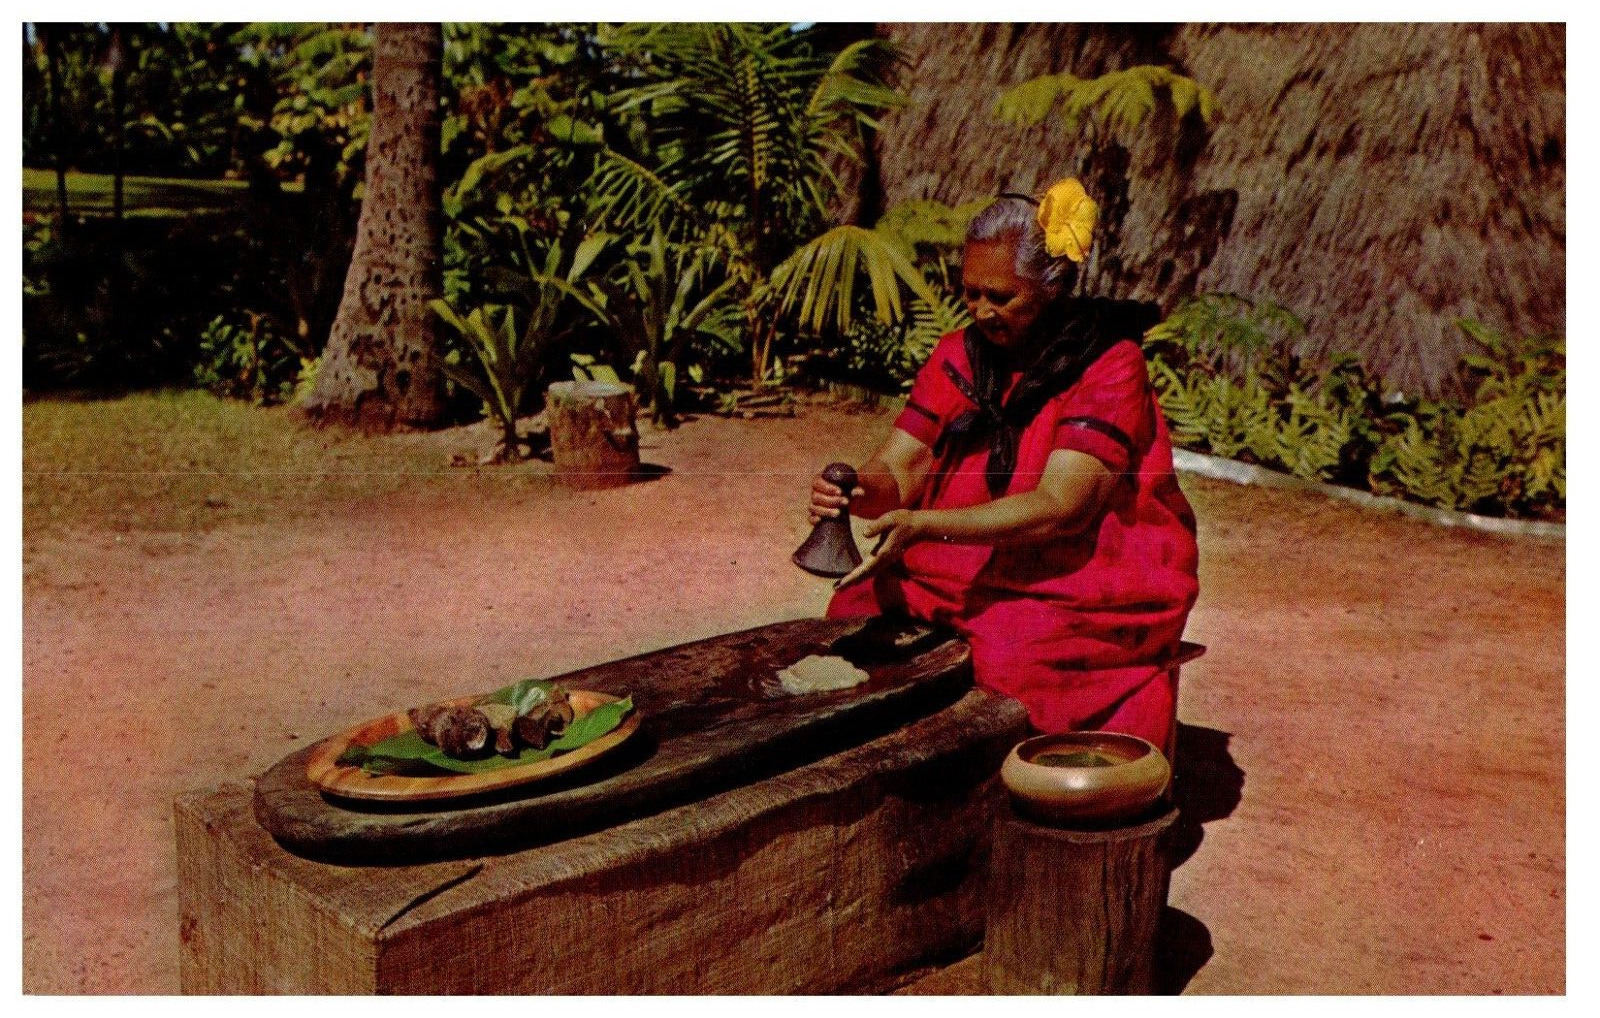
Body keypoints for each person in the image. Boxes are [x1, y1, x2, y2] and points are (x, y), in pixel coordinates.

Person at [810, 178, 1200, 757]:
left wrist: (923, 526)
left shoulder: (1109, 364)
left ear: (1051, 288)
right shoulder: (958, 353)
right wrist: (857, 491)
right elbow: (903, 461)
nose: (980, 310)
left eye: (1000, 297)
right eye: (969, 293)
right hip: (964, 560)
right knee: (855, 613)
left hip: (1068, 577)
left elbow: (1061, 509)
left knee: (1015, 660)